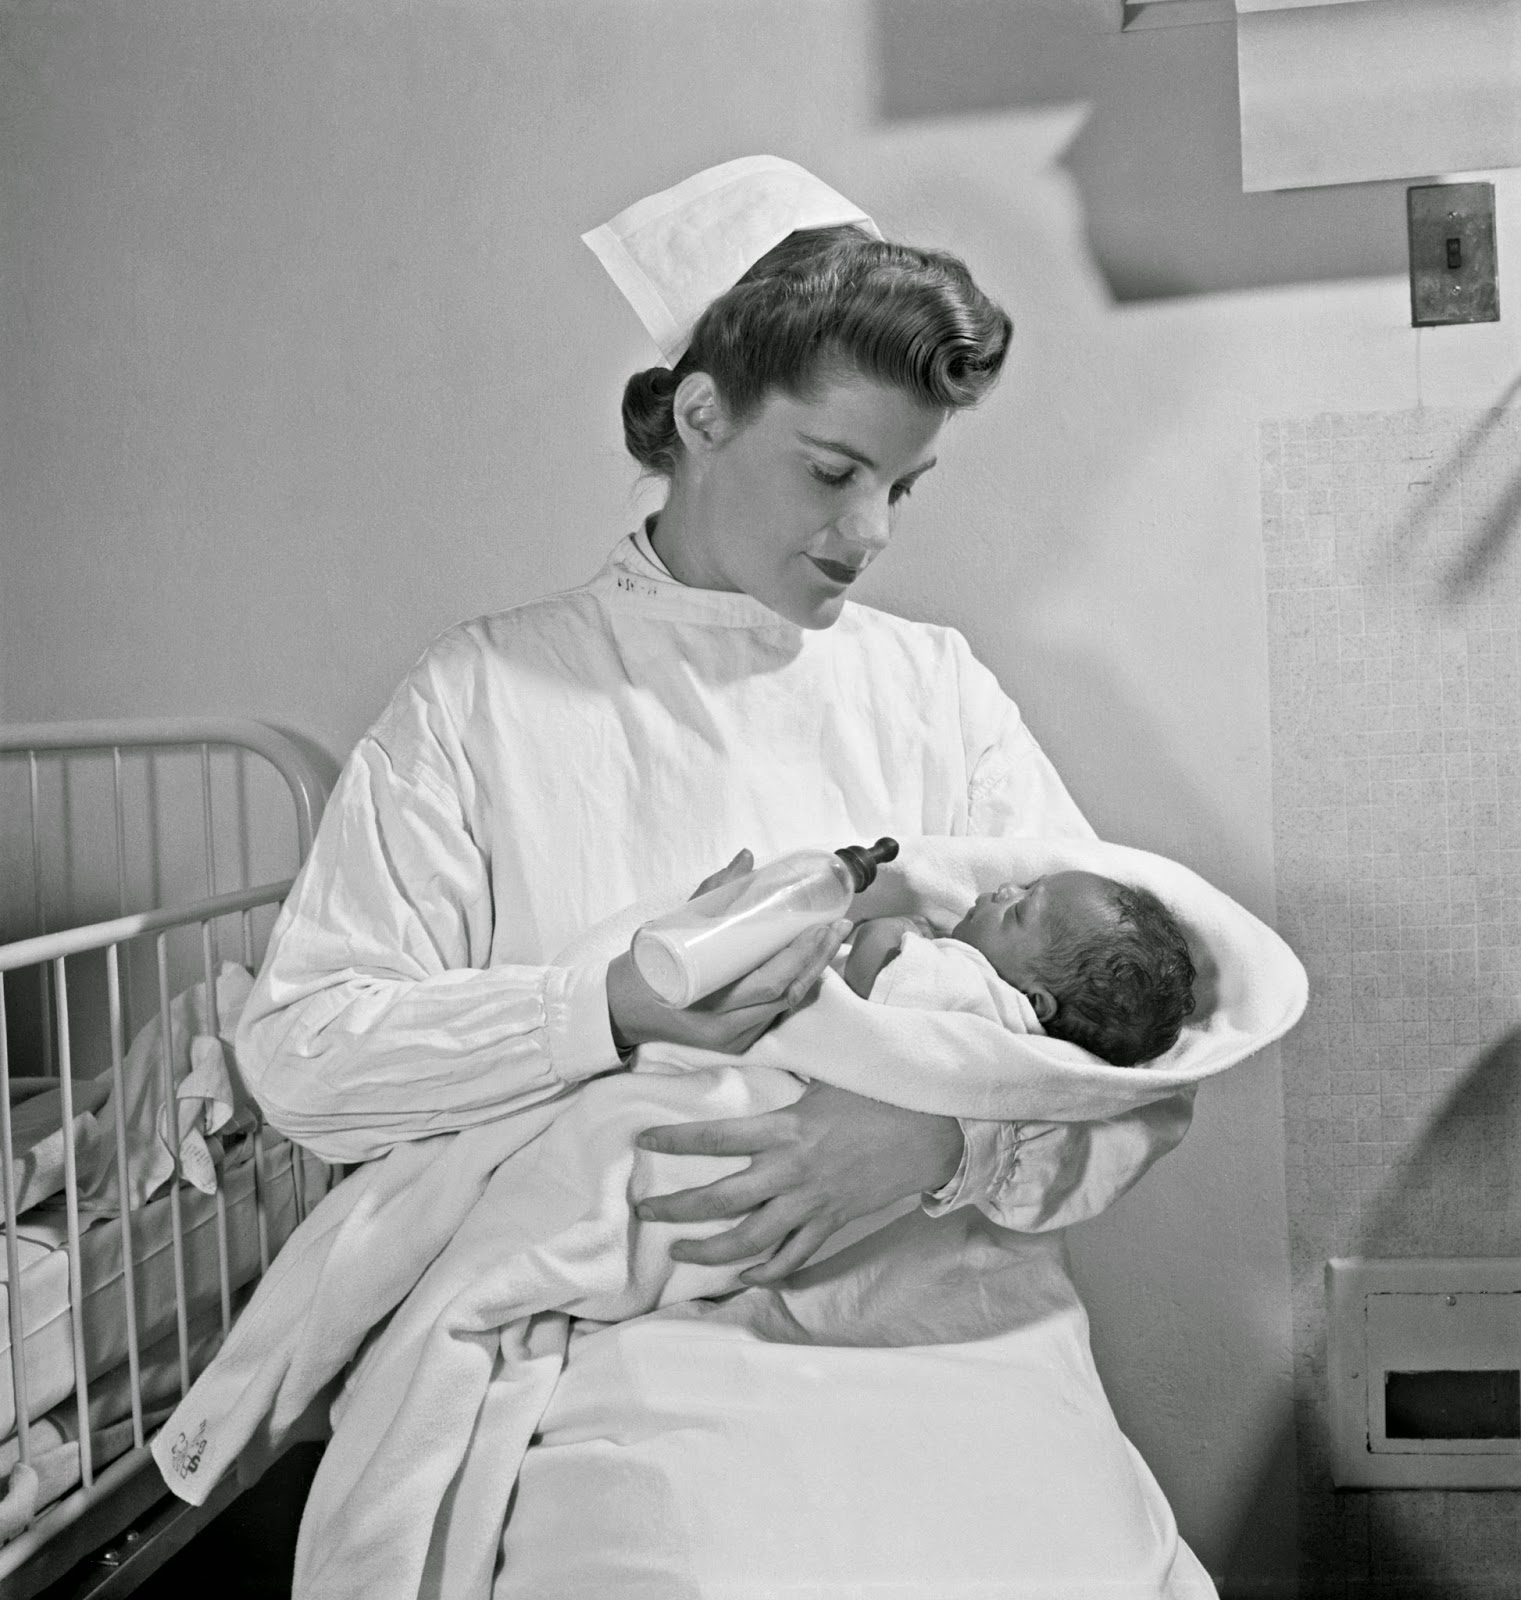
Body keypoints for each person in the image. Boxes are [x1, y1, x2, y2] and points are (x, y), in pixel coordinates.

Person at [234, 155, 1218, 1597]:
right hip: (625, 1331)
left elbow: (1146, 1062)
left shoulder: (935, 694)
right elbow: (303, 1061)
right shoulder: (483, 700)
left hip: (940, 1306)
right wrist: (608, 1011)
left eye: (902, 486)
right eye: (832, 472)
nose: (868, 534)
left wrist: (938, 1144)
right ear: (700, 414)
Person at [845, 870, 1198, 1066]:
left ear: (1035, 1001)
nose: (1006, 888)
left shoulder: (984, 996)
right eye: (1026, 887)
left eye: (1018, 910)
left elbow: (870, 971)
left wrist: (892, 928)